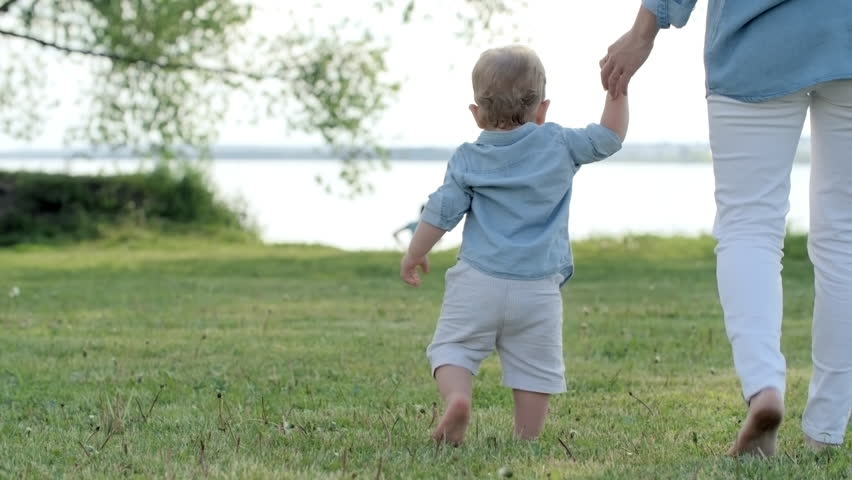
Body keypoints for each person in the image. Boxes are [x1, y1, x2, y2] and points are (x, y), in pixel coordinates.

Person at [600, 0, 852, 457]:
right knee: (844, 240)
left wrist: (644, 30)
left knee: (748, 226)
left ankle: (763, 387)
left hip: (754, 38)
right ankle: (826, 430)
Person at [399, 45, 628, 445]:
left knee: (453, 347)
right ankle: (527, 440)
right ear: (543, 109)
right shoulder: (558, 143)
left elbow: (440, 212)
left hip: (478, 281)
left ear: (476, 113)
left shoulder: (469, 158)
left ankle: (457, 399)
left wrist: (415, 253)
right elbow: (609, 137)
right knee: (535, 369)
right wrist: (616, 93)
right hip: (538, 288)